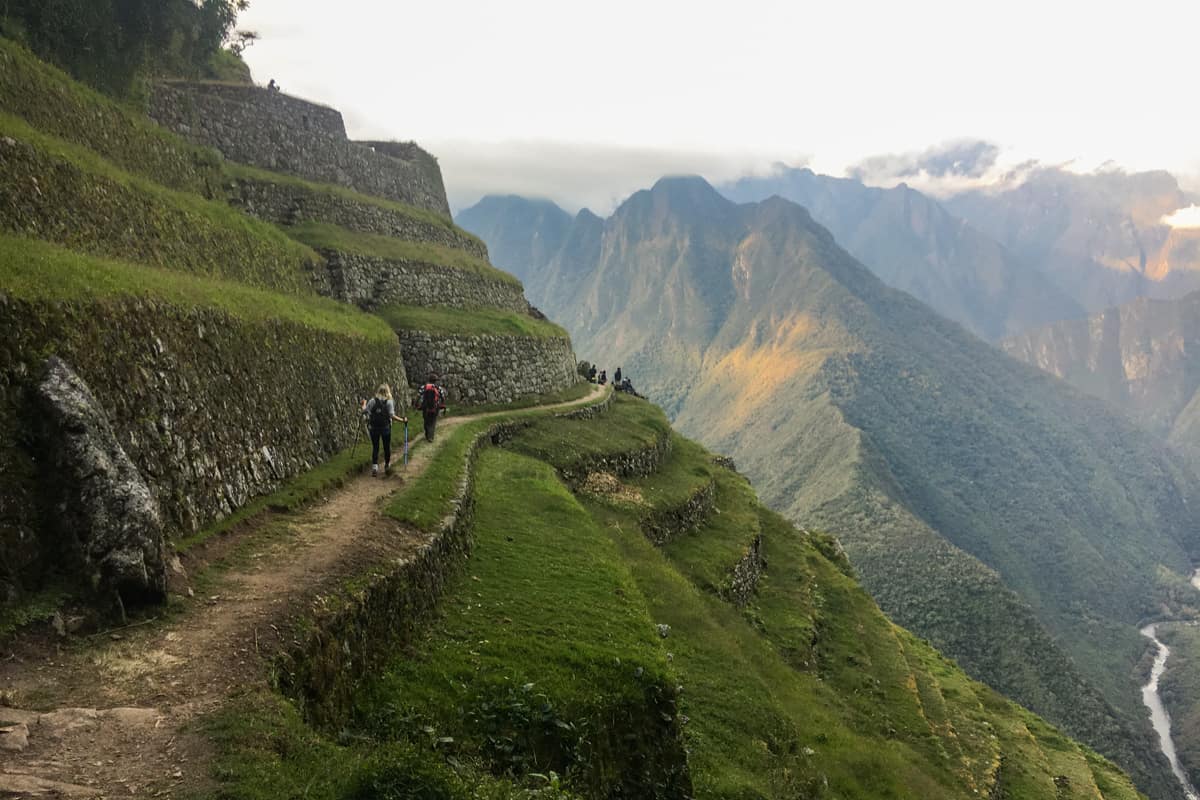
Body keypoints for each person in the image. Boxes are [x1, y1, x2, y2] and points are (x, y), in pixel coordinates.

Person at [361, 384, 406, 477]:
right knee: (386, 447)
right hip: (385, 428)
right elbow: (392, 415)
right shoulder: (389, 402)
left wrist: (364, 403)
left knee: (375, 447)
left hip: (373, 428)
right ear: (388, 391)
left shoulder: (373, 401)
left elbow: (364, 411)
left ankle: (374, 467)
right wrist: (402, 420)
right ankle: (387, 465)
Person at [415, 372, 447, 443]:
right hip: (435, 407)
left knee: (426, 421)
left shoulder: (424, 387)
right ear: (436, 380)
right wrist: (442, 404)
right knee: (433, 422)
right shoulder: (438, 388)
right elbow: (443, 397)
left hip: (425, 407)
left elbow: (418, 396)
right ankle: (431, 437)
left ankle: (427, 434)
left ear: (429, 380)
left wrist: (416, 404)